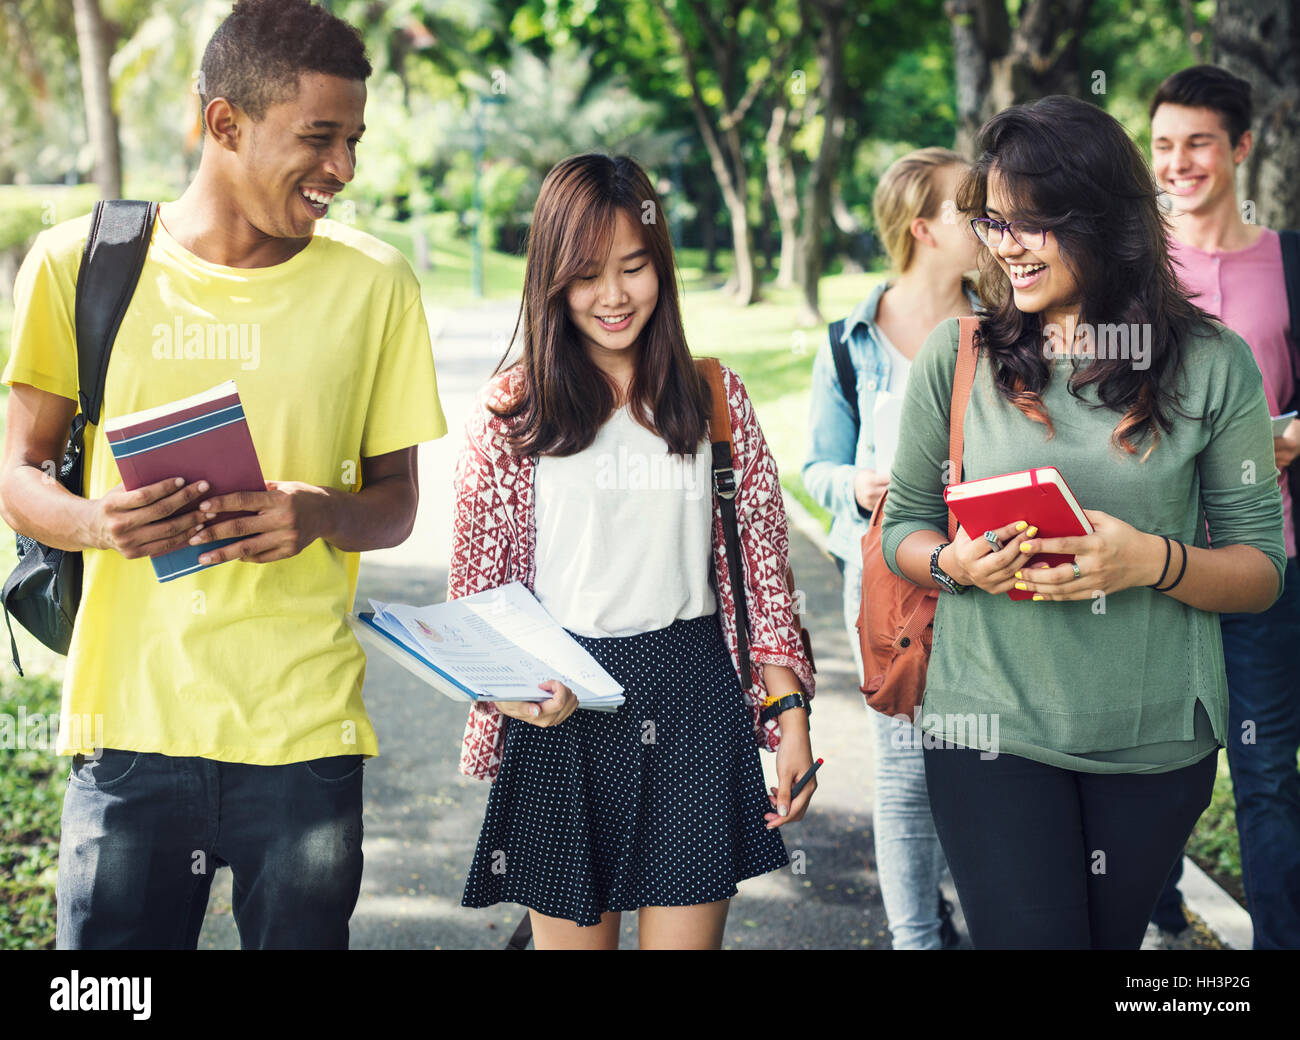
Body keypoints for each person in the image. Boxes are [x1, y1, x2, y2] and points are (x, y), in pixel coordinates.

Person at [0, 0, 446, 949]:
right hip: (130, 730)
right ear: (225, 124)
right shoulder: (81, 263)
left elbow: (398, 503)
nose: (344, 170)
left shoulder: (376, 285)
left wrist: (321, 513)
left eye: (355, 140)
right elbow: (18, 471)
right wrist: (96, 524)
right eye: (320, 138)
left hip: (305, 738)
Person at [881, 94, 1286, 950]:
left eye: (1033, 222)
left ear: (1103, 217)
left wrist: (1153, 562)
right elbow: (903, 529)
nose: (1006, 246)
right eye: (994, 221)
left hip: (1154, 740)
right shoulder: (957, 358)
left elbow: (1260, 570)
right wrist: (954, 564)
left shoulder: (1214, 364)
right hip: (987, 723)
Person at [451, 153, 816, 950]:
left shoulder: (713, 397)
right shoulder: (512, 415)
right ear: (551, 279)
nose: (613, 296)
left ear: (662, 268)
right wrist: (512, 693)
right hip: (561, 707)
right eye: (585, 275)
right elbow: (475, 603)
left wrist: (790, 718)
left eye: (633, 267)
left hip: (692, 698)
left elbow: (764, 577)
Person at [802, 147, 979, 949]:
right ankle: (917, 938)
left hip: (986, 575)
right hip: (883, 581)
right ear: (923, 228)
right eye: (971, 207)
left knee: (984, 761)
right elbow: (815, 465)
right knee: (906, 774)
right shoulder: (848, 341)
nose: (991, 221)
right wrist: (856, 486)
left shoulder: (1007, 329)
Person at [1147, 64, 1300, 949]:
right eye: (1164, 144)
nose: (1180, 162)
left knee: (1267, 772)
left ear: (1240, 147)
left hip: (1262, 558)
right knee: (1161, 764)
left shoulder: (1289, 260)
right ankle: (1158, 914)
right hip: (1152, 563)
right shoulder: (1131, 264)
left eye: (1199, 142)